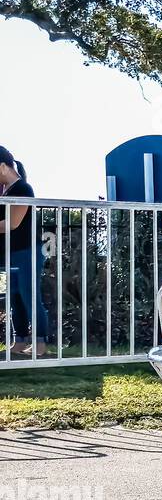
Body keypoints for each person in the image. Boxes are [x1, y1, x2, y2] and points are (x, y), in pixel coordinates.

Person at [0, 147, 49, 357]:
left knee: (29, 296)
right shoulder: (6, 191)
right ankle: (19, 341)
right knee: (13, 298)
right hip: (9, 254)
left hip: (27, 251)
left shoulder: (23, 188)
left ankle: (40, 343)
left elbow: (12, 223)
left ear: (2, 167)